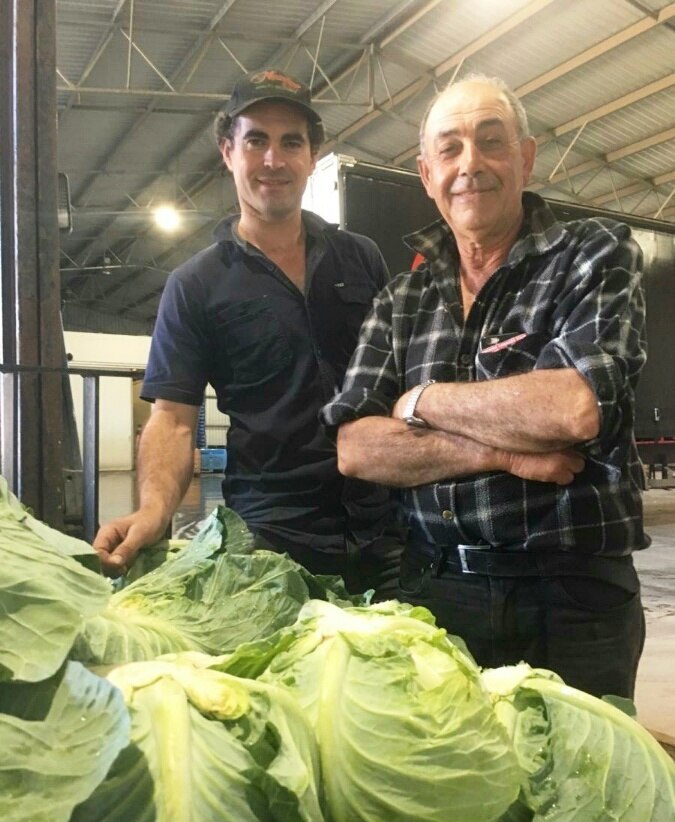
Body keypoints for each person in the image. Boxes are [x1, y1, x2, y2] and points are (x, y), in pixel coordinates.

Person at [321, 74, 648, 698]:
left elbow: (572, 409)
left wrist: (421, 402)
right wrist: (500, 450)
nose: (469, 164)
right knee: (453, 787)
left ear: (524, 158)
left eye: (490, 142)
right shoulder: (402, 298)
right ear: (426, 174)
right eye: (449, 149)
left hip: (575, 600)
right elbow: (358, 448)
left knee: (580, 788)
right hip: (435, 592)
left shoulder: (593, 255)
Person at [94, 68, 402, 595]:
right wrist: (152, 510)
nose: (273, 160)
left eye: (291, 142)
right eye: (256, 140)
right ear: (227, 151)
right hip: (272, 539)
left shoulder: (362, 257)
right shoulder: (195, 285)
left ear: (311, 154)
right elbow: (170, 420)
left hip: (389, 528)